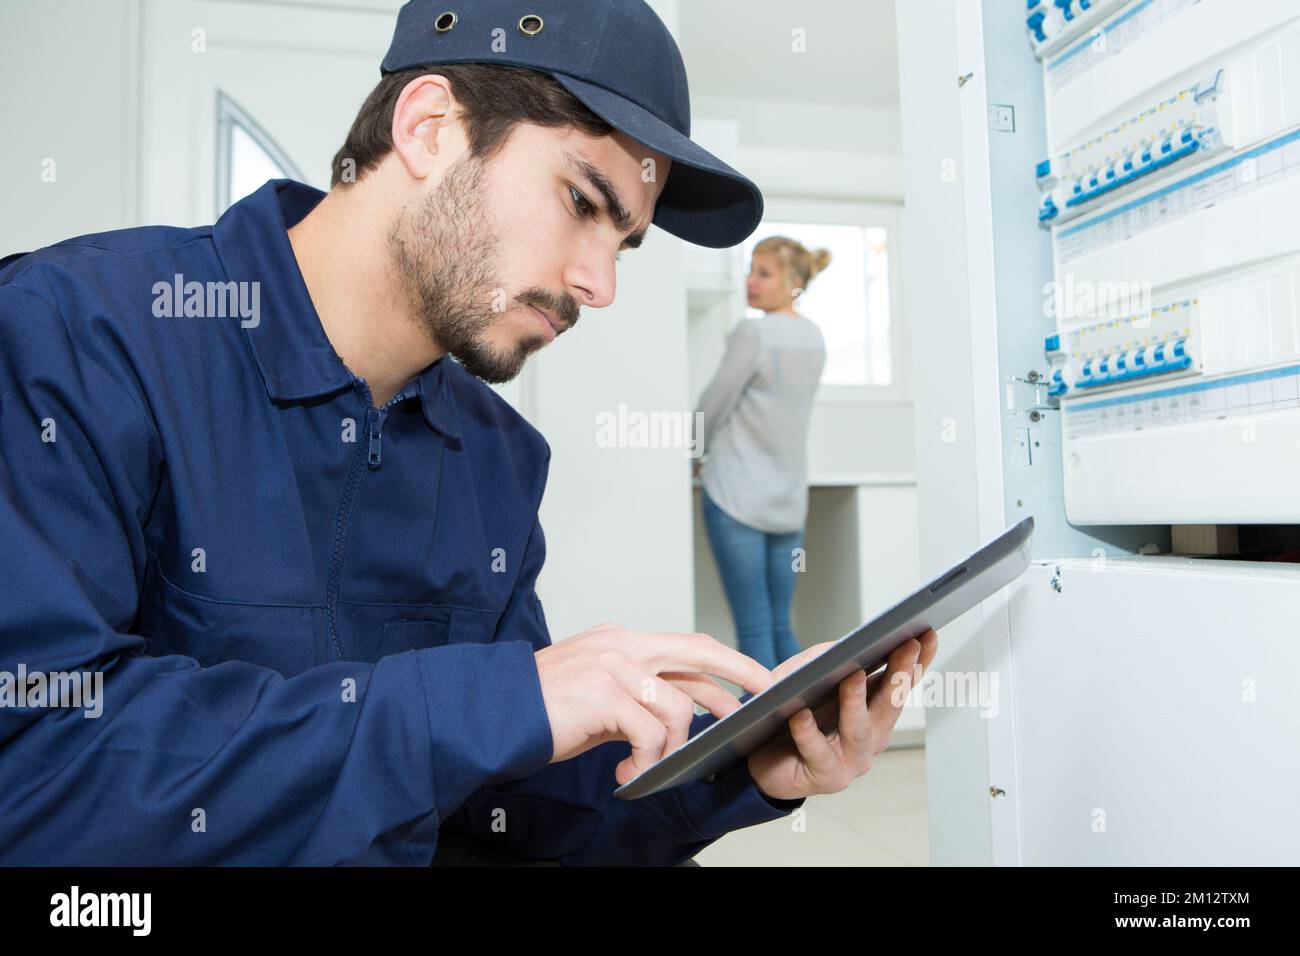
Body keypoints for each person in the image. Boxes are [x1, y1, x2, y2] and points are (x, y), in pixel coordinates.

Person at [0, 0, 936, 866]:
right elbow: (38, 766)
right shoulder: (78, 334)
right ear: (428, 128)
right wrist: (494, 702)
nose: (599, 285)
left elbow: (510, 808)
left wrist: (742, 765)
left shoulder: (495, 457)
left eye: (625, 242)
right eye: (581, 202)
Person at [695, 238, 831, 670]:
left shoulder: (753, 332)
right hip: (789, 502)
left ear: (793, 282)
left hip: (736, 495)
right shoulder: (814, 337)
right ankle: (805, 727)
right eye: (751, 269)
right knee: (780, 625)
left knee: (753, 628)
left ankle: (758, 737)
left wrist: (694, 454)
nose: (750, 281)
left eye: (764, 273)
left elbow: (711, 406)